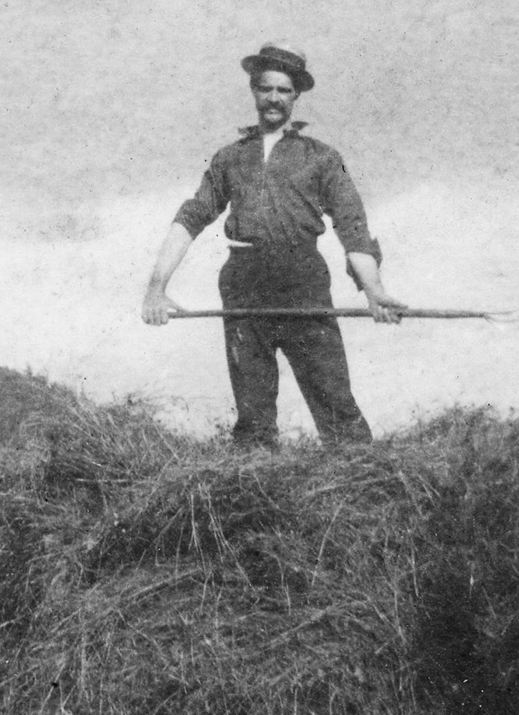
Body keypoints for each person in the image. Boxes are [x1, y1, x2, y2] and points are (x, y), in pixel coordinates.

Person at [139, 44, 400, 448]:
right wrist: (156, 286)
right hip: (244, 279)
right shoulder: (229, 159)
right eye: (266, 89)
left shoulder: (323, 158)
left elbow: (352, 227)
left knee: (334, 399)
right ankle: (256, 495)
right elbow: (192, 216)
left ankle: (368, 483)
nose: (274, 98)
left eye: (284, 90)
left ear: (297, 96)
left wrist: (375, 291)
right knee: (253, 409)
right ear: (254, 92)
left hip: (302, 279)